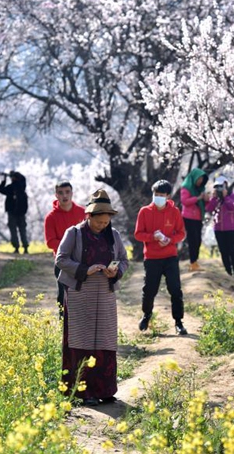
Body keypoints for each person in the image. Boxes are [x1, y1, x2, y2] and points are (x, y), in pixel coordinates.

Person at [56, 189, 128, 407]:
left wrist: (116, 271)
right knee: (82, 340)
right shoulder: (74, 233)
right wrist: (84, 269)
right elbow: (61, 259)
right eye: (99, 222)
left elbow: (124, 260)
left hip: (105, 293)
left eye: (106, 222)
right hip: (80, 294)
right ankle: (83, 392)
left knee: (105, 340)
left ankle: (105, 390)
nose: (102, 226)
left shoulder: (114, 235)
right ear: (89, 216)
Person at [135, 180, 188, 335]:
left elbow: (181, 233)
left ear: (168, 196)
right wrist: (153, 237)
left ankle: (178, 322)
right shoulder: (144, 211)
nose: (158, 197)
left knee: (175, 289)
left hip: (170, 256)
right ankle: (146, 315)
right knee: (149, 290)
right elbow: (138, 234)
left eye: (161, 195)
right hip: (152, 257)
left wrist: (170, 240)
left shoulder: (175, 212)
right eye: (155, 194)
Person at [44, 181, 86, 310]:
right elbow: (50, 242)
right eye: (61, 193)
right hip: (62, 261)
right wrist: (71, 245)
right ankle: (64, 321)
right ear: (56, 195)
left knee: (83, 294)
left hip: (82, 260)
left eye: (67, 192)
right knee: (63, 295)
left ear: (72, 193)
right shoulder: (51, 217)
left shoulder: (83, 212)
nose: (64, 195)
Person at [205, 175, 234, 278]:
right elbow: (209, 209)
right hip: (218, 229)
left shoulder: (232, 196)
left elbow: (233, 207)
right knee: (223, 251)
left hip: (231, 228)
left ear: (225, 185)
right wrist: (213, 198)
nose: (219, 189)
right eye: (217, 187)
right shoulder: (215, 198)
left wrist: (226, 197)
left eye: (221, 186)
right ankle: (228, 272)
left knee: (232, 251)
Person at [180, 167, 209, 272]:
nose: (200, 181)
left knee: (198, 240)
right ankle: (193, 263)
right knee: (193, 240)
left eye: (202, 179)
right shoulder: (186, 187)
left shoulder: (200, 189)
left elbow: (204, 204)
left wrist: (206, 199)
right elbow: (184, 201)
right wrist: (197, 198)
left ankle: (195, 261)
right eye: (199, 179)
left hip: (198, 217)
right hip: (188, 217)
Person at [0, 171, 29, 254]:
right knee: (22, 230)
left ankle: (16, 247)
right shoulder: (22, 188)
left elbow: (0, 189)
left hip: (12, 213)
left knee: (13, 230)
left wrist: (4, 181)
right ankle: (25, 247)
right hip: (21, 213)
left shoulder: (10, 188)